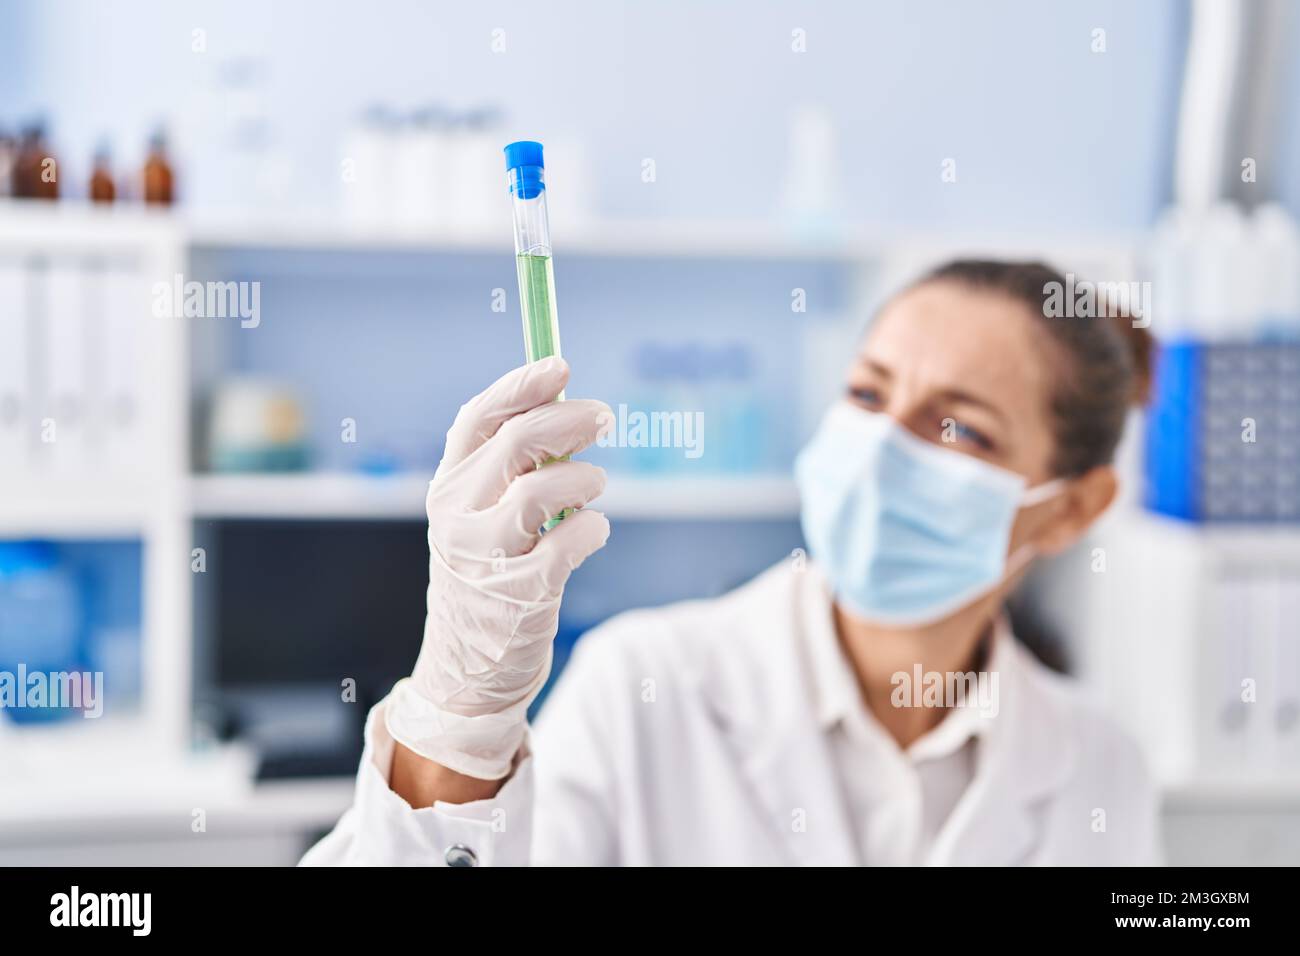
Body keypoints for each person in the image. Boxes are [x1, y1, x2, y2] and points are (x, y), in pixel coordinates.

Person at [303, 259, 1160, 867]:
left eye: (956, 428)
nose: (877, 451)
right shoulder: (643, 685)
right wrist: (458, 714)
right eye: (867, 394)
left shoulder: (1099, 763)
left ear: (1075, 507)